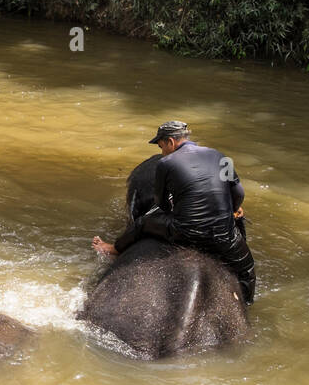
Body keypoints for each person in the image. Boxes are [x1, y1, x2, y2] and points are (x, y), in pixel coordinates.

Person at [92, 120, 257, 304]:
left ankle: (114, 248)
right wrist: (234, 208)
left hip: (184, 232)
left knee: (144, 223)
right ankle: (246, 303)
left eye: (162, 147)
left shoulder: (166, 163)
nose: (162, 152)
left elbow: (161, 202)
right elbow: (238, 192)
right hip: (222, 234)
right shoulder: (220, 156)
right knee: (247, 268)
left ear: (170, 142)